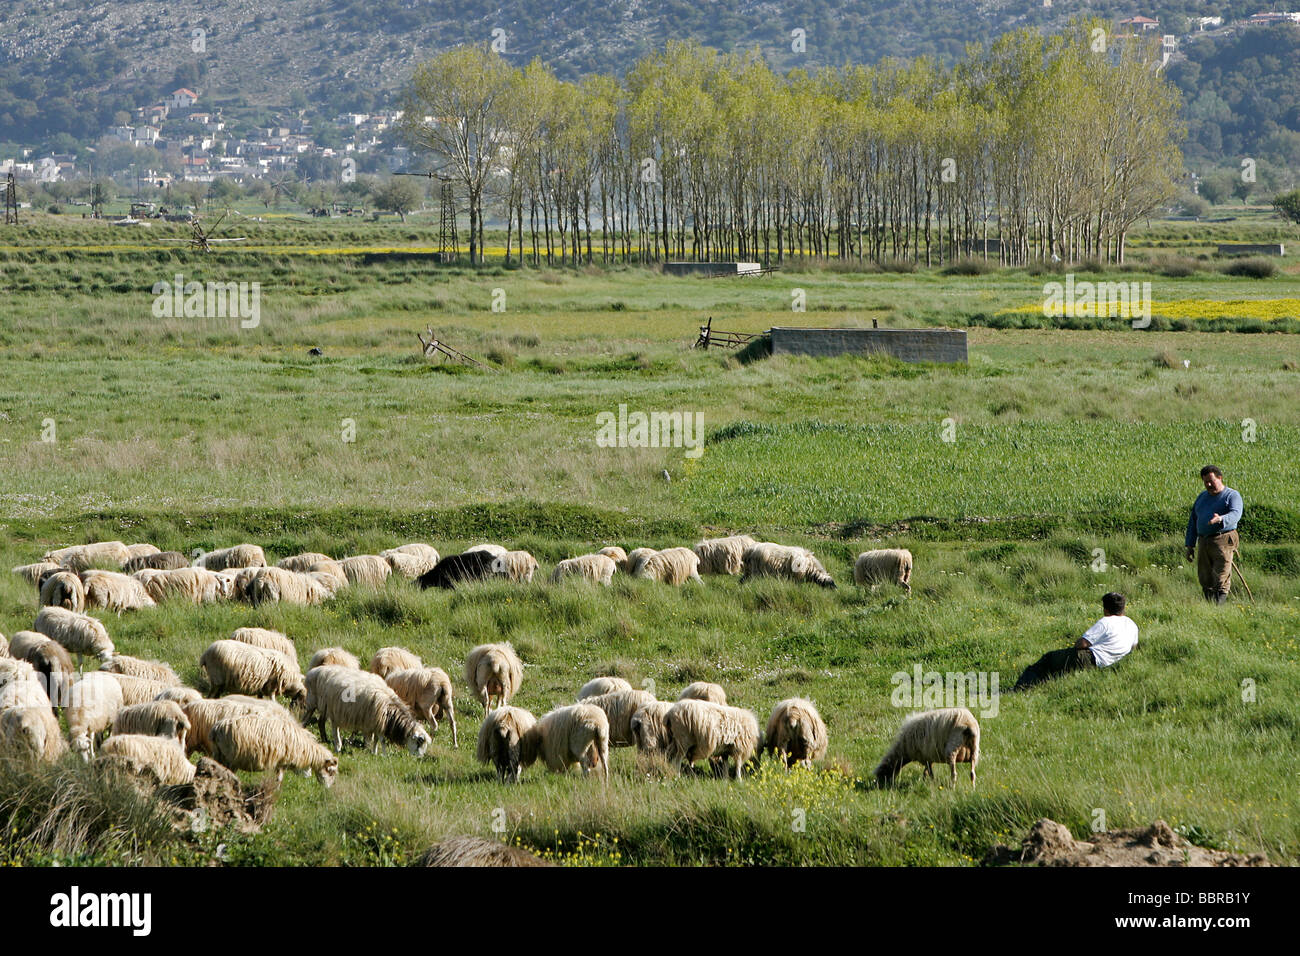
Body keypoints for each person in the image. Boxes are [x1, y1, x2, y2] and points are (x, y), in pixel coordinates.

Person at [1011, 592, 1138, 691]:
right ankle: (1044, 686)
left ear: (1106, 609)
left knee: (1049, 659)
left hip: (1090, 658)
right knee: (1060, 669)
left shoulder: (1106, 621)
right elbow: (1133, 647)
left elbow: (1082, 644)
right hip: (1110, 663)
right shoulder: (1132, 625)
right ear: (1123, 608)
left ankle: (1020, 689)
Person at [1185, 465, 1243, 604]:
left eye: (1211, 481)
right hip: (1204, 541)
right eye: (1206, 482)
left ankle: (1218, 606)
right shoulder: (1202, 497)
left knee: (1221, 576)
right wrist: (1190, 545)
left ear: (1220, 478)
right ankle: (1209, 605)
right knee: (1205, 577)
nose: (1209, 485)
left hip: (1223, 539)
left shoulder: (1231, 495)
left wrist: (1221, 519)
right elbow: (1193, 521)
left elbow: (1236, 513)